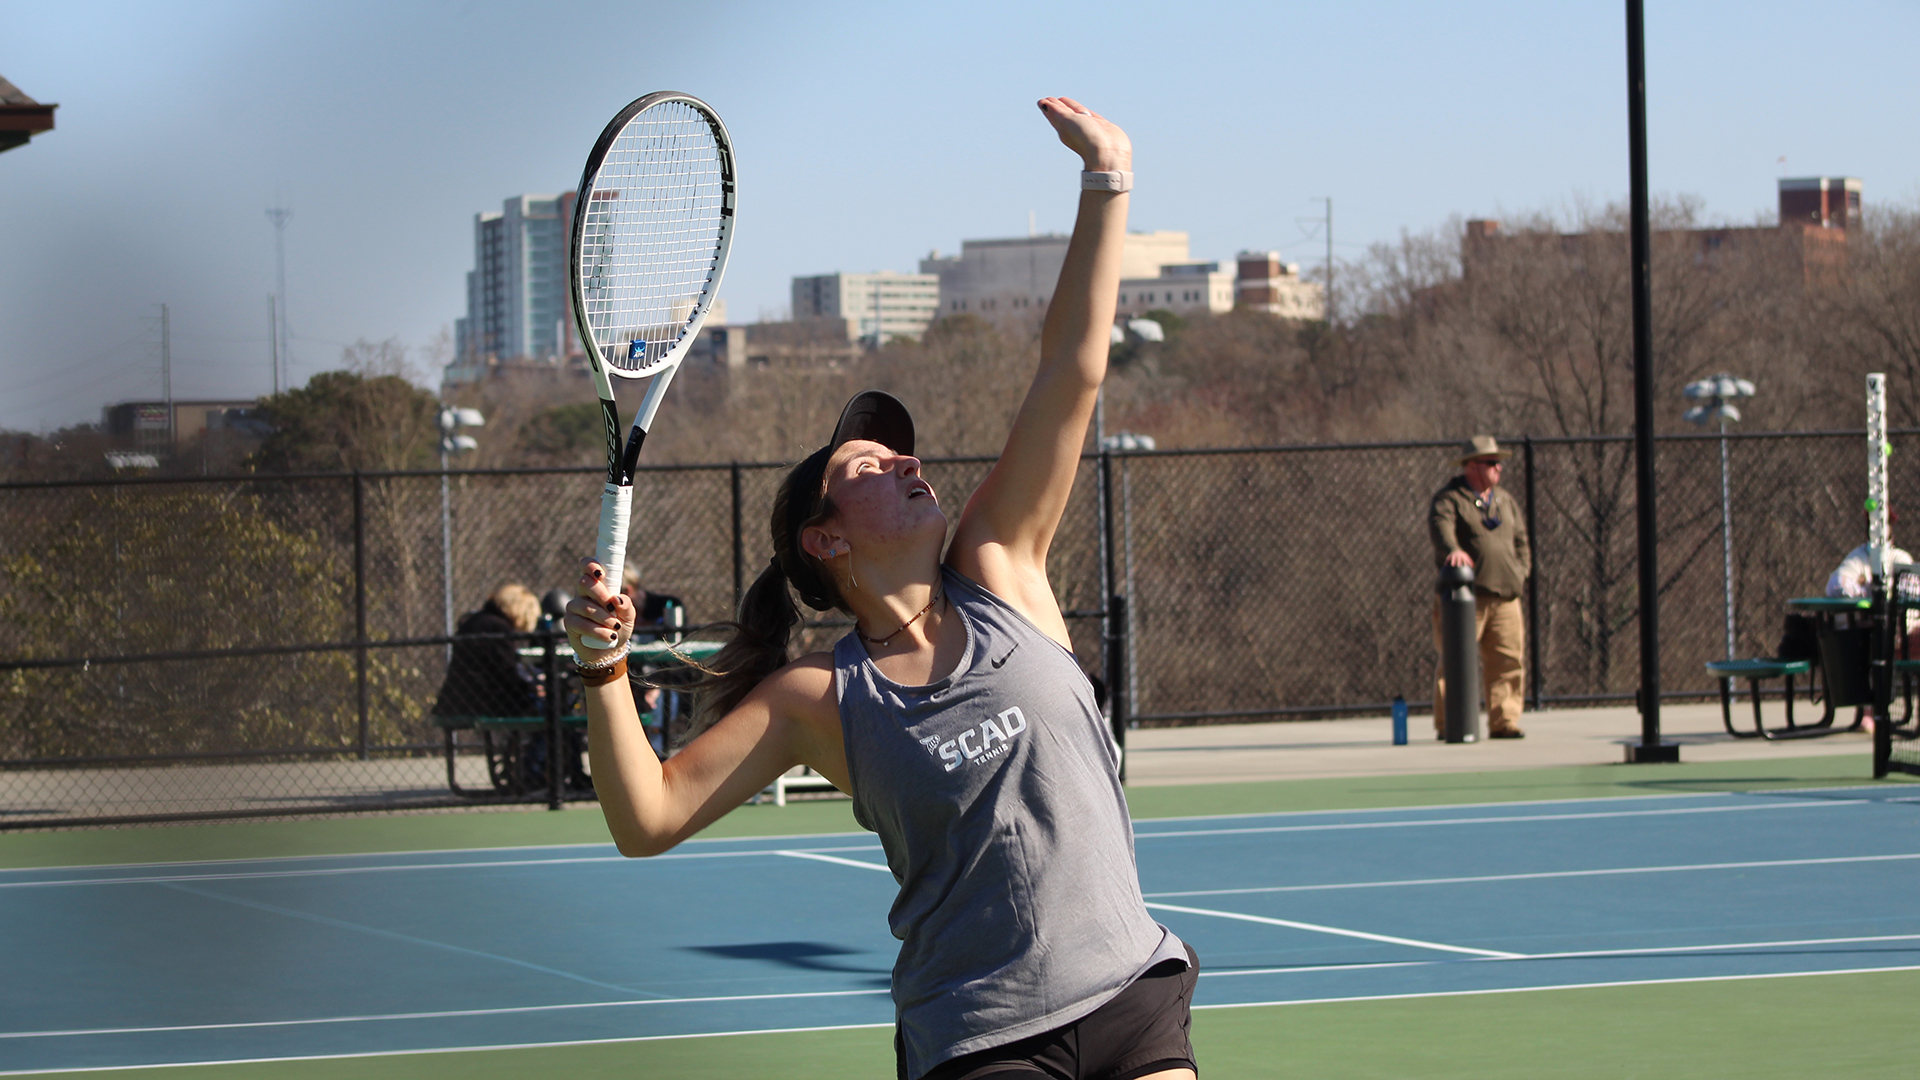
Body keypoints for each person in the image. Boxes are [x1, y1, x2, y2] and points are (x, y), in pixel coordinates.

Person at [565, 98, 1198, 1080]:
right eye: (871, 463)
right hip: (980, 1037)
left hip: (1130, 995)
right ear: (826, 538)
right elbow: (644, 820)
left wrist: (1107, 178)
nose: (907, 464)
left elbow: (1073, 373)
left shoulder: (1003, 570)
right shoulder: (819, 699)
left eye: (904, 454)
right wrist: (603, 668)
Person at [1428, 436, 1531, 739]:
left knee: (1508, 661)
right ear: (1471, 467)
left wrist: (1521, 571)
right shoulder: (1451, 498)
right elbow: (1440, 526)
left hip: (1506, 596)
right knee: (1455, 660)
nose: (1498, 468)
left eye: (1498, 462)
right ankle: (1450, 723)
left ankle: (1505, 721)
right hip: (1465, 599)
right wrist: (1452, 551)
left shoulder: (1504, 500)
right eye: (1491, 462)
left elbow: (1522, 540)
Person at [431, 583, 541, 720]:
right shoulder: (499, 628)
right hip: (482, 701)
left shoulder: (475, 620)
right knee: (541, 706)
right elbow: (506, 672)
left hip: (456, 700)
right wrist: (531, 689)